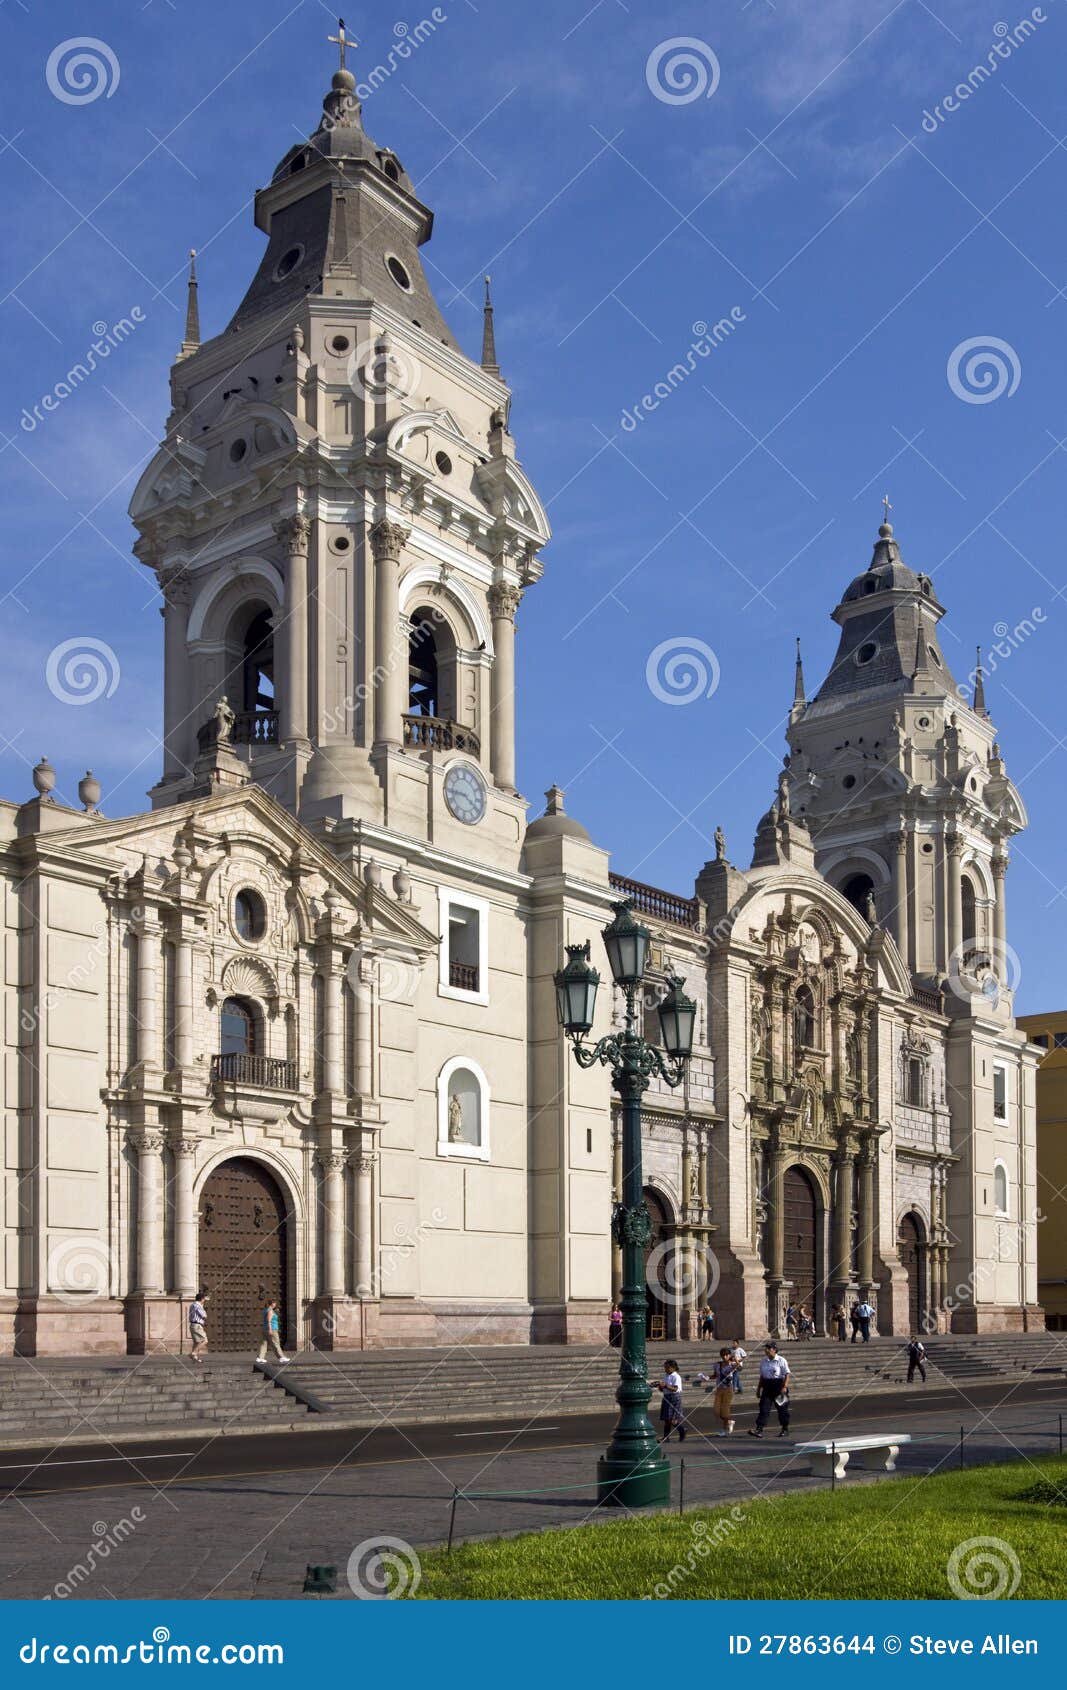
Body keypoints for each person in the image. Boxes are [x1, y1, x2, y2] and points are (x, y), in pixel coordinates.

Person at [748, 1342, 791, 1438]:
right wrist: (758, 1389)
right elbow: (762, 1376)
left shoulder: (781, 1360)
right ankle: (759, 1429)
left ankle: (785, 1428)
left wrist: (784, 1387)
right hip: (767, 1386)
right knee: (764, 1408)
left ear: (774, 1350)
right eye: (765, 1348)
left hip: (779, 1386)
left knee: (782, 1409)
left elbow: (787, 1374)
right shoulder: (764, 1361)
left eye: (768, 1348)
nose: (766, 1350)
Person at [651, 1359, 686, 1443]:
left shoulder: (676, 1376)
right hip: (666, 1397)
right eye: (665, 1367)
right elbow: (663, 1389)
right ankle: (666, 1437)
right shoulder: (666, 1376)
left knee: (673, 1420)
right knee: (667, 1419)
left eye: (667, 1367)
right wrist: (659, 1386)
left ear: (673, 1368)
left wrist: (665, 1385)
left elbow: (675, 1388)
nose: (665, 1369)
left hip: (674, 1398)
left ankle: (682, 1430)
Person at [711, 1347, 738, 1435]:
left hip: (728, 1389)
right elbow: (715, 1375)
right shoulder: (717, 1365)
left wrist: (736, 1360)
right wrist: (707, 1377)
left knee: (725, 1412)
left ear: (729, 1355)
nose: (724, 1357)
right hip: (719, 1389)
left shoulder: (731, 1365)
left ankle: (724, 1429)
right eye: (723, 1355)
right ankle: (730, 1421)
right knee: (716, 1411)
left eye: (726, 1355)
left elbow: (740, 1368)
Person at [257, 1298, 288, 1363]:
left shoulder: (265, 1310)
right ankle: (281, 1357)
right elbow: (269, 1321)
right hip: (272, 1329)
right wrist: (270, 1329)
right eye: (274, 1303)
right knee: (276, 1343)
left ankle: (260, 1358)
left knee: (264, 1344)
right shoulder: (270, 1311)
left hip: (265, 1328)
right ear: (272, 1304)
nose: (275, 1304)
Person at [189, 1289, 209, 1363]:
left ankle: (195, 1358)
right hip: (197, 1325)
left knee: (197, 1342)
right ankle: (193, 1353)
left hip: (193, 1325)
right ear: (202, 1299)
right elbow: (204, 1316)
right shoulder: (198, 1306)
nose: (204, 1301)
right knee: (204, 1340)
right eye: (204, 1299)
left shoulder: (193, 1304)